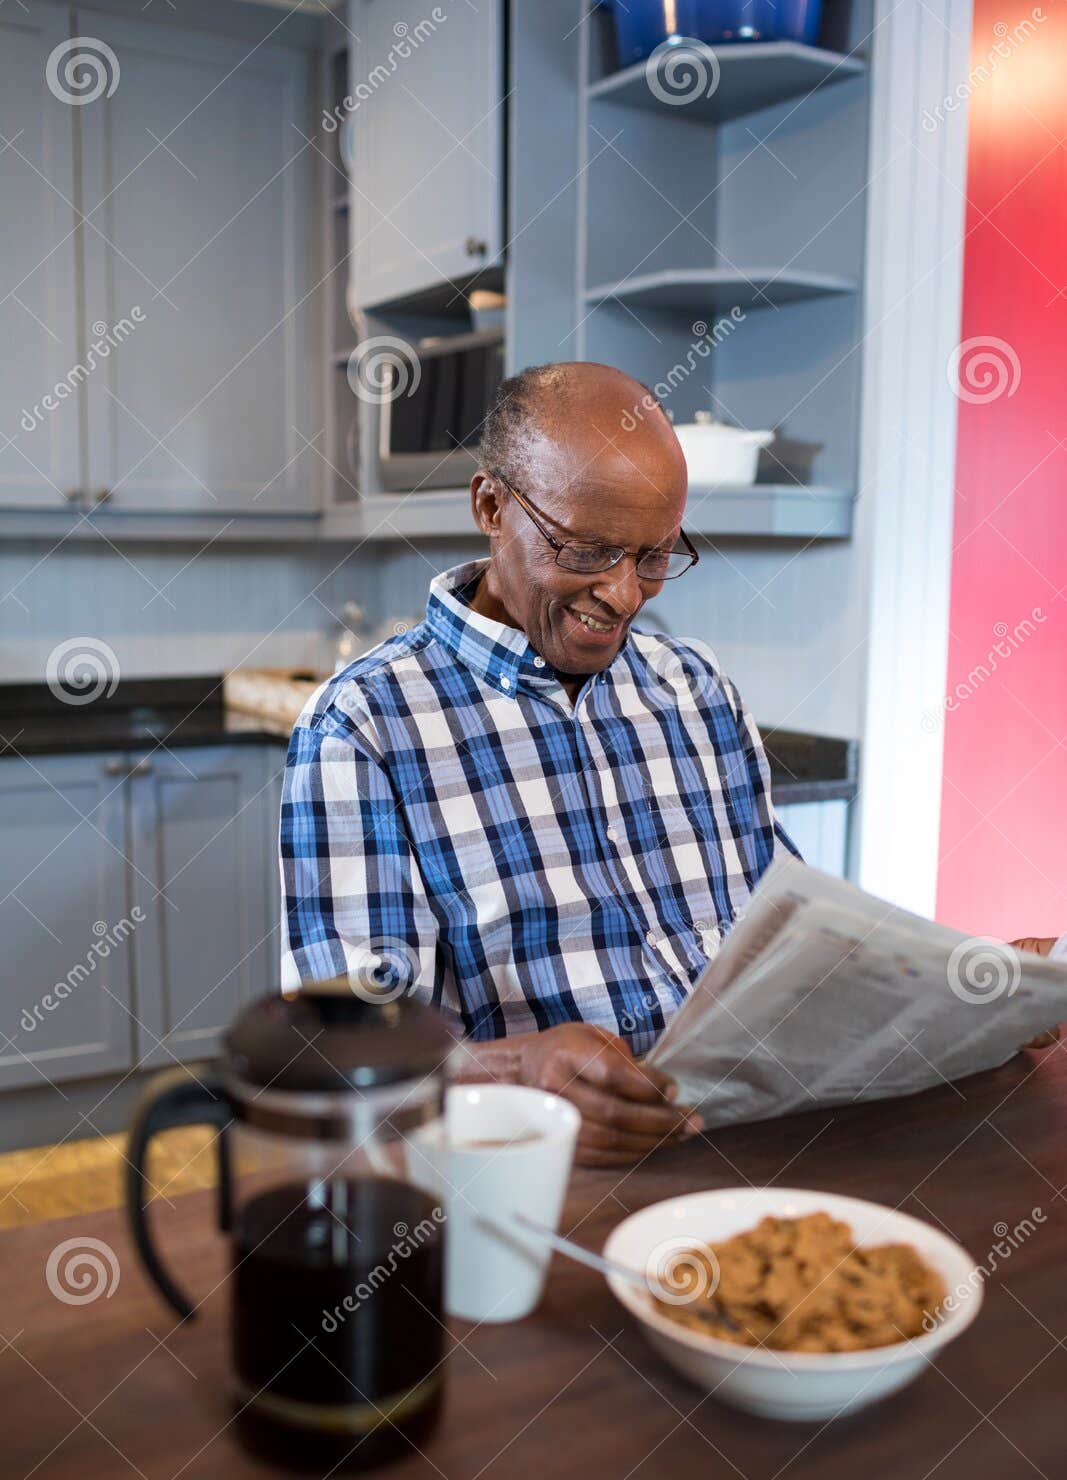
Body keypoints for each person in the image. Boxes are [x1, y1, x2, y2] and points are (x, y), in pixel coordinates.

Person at [281, 361, 1060, 1166]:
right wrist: (518, 1069)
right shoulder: (364, 725)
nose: (622, 596)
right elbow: (347, 1052)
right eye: (586, 551)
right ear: (490, 505)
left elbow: (796, 948)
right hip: (549, 1180)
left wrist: (970, 990)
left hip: (759, 1148)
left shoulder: (693, 688)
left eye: (653, 556)